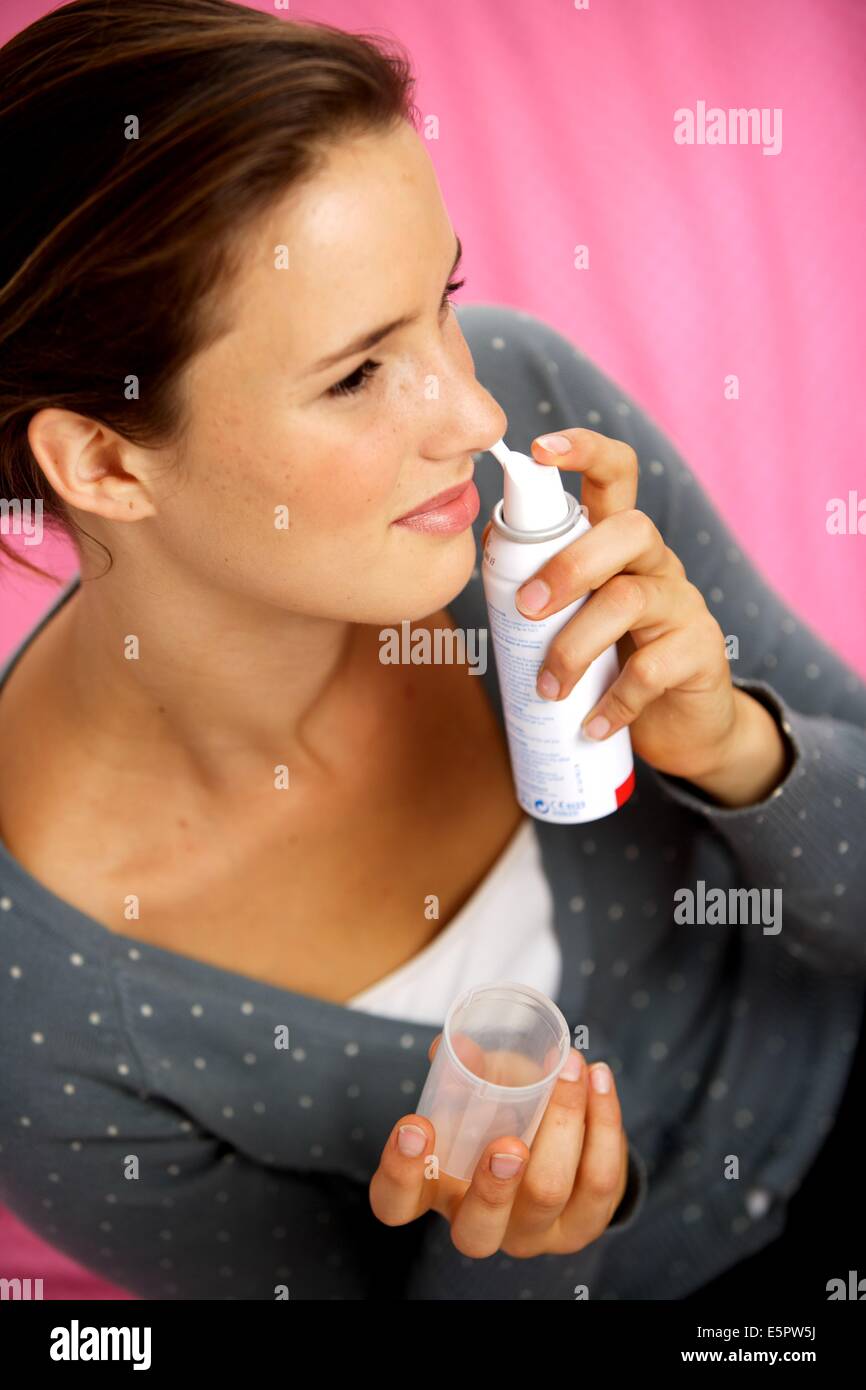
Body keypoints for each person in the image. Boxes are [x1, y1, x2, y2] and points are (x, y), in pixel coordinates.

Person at [0, 0, 863, 1301]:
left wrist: (738, 745)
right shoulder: (40, 1003)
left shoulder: (538, 439)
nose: (470, 411)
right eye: (355, 376)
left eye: (441, 302)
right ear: (108, 460)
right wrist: (518, 1260)